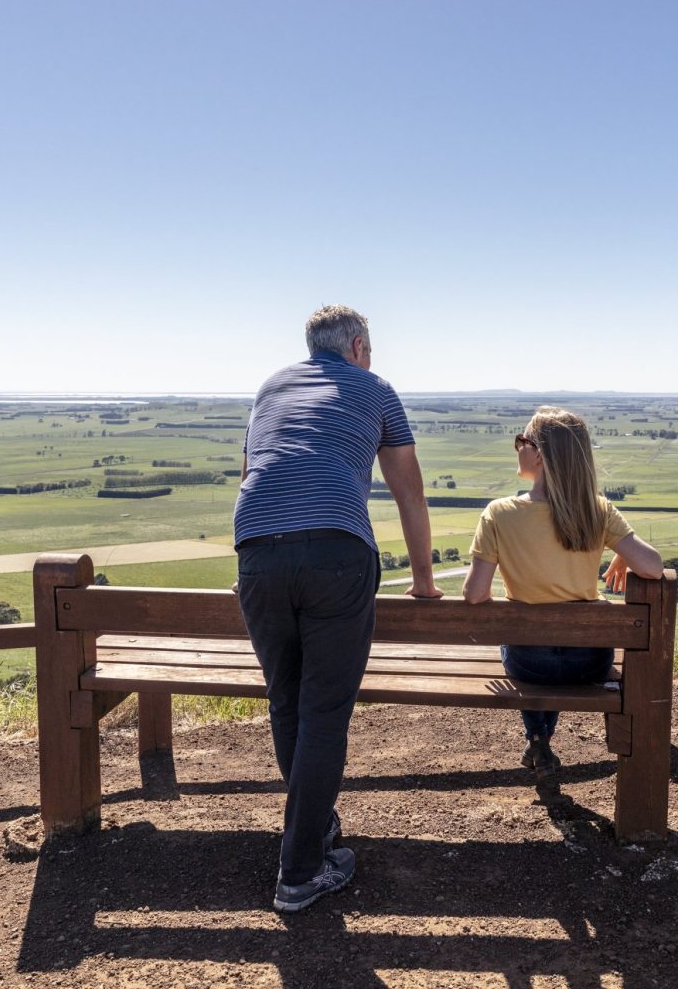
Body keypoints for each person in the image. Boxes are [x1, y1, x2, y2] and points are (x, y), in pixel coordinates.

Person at [235, 305, 442, 913]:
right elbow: (410, 493)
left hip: (257, 552)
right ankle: (299, 872)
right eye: (370, 346)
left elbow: (251, 476)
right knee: (325, 712)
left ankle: (314, 832)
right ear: (357, 345)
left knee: (288, 700)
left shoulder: (271, 387)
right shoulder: (377, 390)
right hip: (337, 552)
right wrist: (425, 581)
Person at [462, 406, 663, 775]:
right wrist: (622, 556)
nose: (517, 448)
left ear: (538, 454)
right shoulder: (598, 511)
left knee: (531, 649)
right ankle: (537, 739)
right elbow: (652, 566)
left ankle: (538, 737)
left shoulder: (498, 513)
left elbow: (474, 595)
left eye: (521, 441)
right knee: (553, 648)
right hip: (590, 660)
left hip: (529, 662)